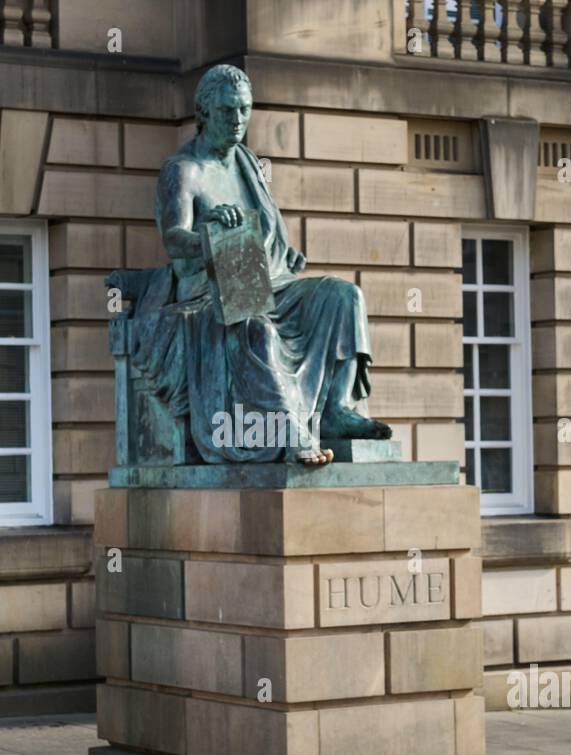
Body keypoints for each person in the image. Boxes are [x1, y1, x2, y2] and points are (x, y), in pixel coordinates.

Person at [118, 63, 392, 466]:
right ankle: (290, 432)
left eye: (245, 109)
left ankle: (335, 408)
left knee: (343, 295)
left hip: (267, 279)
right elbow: (174, 239)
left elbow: (267, 239)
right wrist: (211, 235)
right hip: (210, 289)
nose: (238, 119)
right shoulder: (183, 172)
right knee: (256, 327)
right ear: (204, 112)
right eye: (228, 110)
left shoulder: (250, 164)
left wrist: (287, 252)